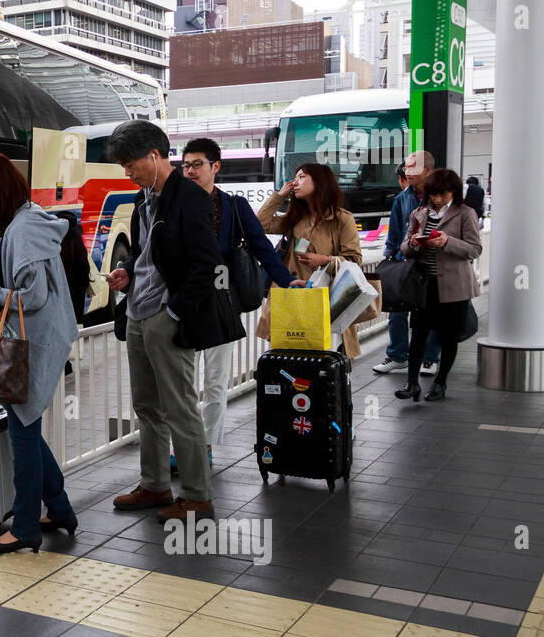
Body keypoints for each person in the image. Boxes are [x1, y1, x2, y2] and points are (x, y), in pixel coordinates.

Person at [105, 121, 244, 522]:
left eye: (130, 163)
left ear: (154, 155)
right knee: (146, 405)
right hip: (136, 311)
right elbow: (148, 253)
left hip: (166, 315)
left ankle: (198, 496)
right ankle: (155, 484)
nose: (126, 172)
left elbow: (206, 264)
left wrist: (174, 312)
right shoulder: (143, 199)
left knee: (180, 406)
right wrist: (128, 272)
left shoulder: (189, 198)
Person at [0, 153, 78, 552]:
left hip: (32, 343)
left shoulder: (22, 229)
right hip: (36, 338)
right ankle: (58, 508)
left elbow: (32, 296)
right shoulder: (22, 220)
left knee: (23, 436)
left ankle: (25, 526)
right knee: (26, 426)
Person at [180, 138, 303, 465]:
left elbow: (262, 246)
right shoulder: (174, 204)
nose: (190, 171)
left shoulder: (234, 206)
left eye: (197, 165)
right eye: (186, 165)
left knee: (216, 382)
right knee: (182, 384)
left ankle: (204, 447)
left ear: (215, 167)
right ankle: (182, 445)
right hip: (183, 305)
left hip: (222, 304)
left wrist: (287, 280)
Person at [255, 162, 363, 357]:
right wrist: (279, 196)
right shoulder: (295, 217)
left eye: (302, 177)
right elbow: (259, 224)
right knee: (285, 360)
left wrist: (325, 260)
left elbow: (354, 260)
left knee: (322, 362)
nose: (295, 182)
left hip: (327, 301)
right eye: (295, 177)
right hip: (291, 298)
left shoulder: (342, 219)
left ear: (320, 182)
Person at [395, 168, 482, 401]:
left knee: (448, 336)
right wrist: (413, 243)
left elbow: (475, 249)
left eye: (442, 194)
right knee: (419, 333)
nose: (437, 199)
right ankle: (412, 383)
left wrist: (447, 242)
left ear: (453, 191)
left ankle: (440, 383)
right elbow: (404, 248)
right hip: (424, 285)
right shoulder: (419, 213)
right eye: (433, 194)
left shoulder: (465, 213)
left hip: (454, 286)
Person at [373, 150, 441, 376]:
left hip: (433, 264)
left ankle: (430, 358)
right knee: (397, 311)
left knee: (430, 312)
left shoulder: (442, 195)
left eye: (413, 167)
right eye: (406, 167)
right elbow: (395, 232)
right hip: (406, 263)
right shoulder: (403, 198)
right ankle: (397, 356)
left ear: (427, 170)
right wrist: (390, 258)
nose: (406, 171)